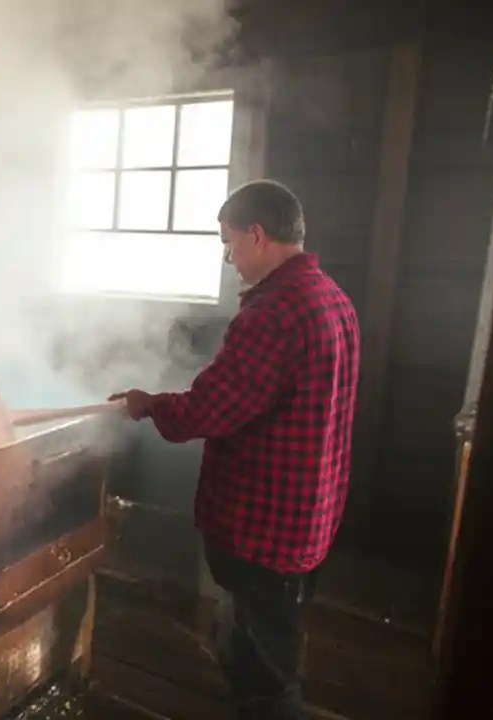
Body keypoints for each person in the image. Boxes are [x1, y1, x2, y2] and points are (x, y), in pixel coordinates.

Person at [109, 180, 360, 720]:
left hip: (265, 527)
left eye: (229, 243)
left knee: (263, 673)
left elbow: (209, 410)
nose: (227, 257)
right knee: (270, 641)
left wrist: (150, 404)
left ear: (257, 234)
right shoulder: (333, 298)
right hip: (310, 516)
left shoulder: (274, 312)